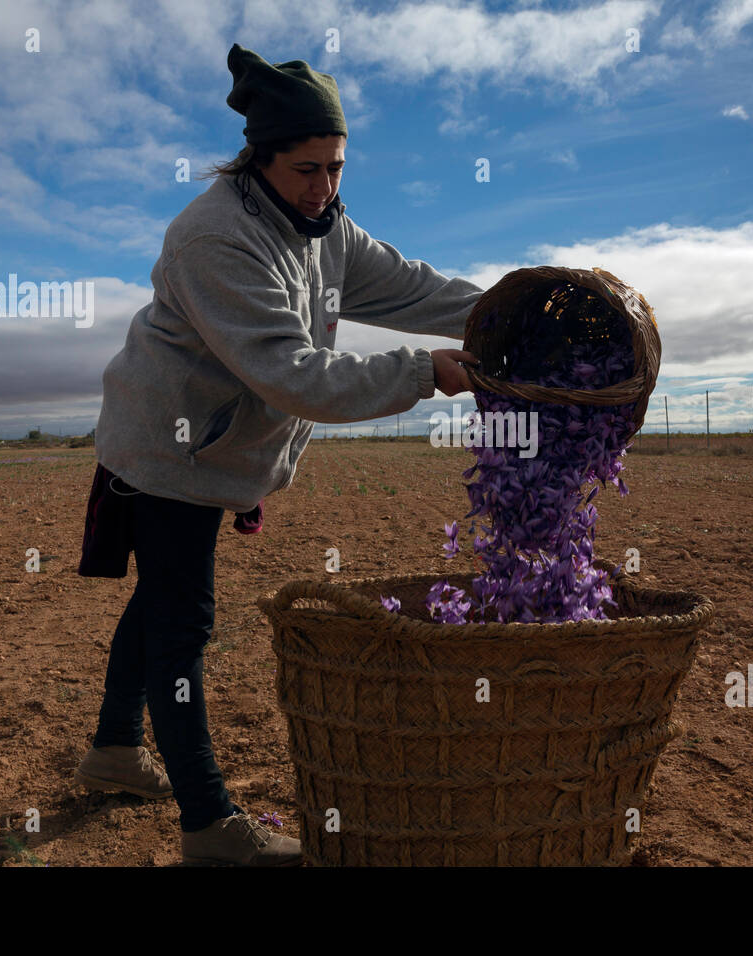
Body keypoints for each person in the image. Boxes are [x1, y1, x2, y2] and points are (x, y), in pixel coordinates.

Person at [72, 43, 483, 866]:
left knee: (160, 602)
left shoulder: (326, 225)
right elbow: (293, 374)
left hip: (214, 452)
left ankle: (114, 749)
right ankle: (209, 826)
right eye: (305, 169)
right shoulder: (213, 239)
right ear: (258, 159)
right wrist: (426, 371)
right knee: (183, 625)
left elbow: (413, 289)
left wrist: (512, 312)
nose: (323, 187)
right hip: (169, 452)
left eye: (335, 167)